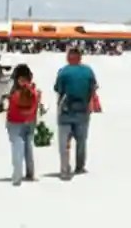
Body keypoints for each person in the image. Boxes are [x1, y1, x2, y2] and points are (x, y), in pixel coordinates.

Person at [54, 46, 97, 180]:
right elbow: (93, 88)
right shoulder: (88, 71)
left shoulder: (63, 72)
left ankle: (65, 169)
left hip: (66, 112)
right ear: (80, 58)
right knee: (81, 141)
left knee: (64, 143)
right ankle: (79, 166)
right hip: (83, 111)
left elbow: (58, 89)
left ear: (68, 58)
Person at [6, 64, 40, 186]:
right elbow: (36, 106)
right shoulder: (34, 91)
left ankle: (17, 177)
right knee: (28, 148)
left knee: (18, 149)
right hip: (29, 121)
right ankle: (30, 174)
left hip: (14, 122)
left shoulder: (14, 91)